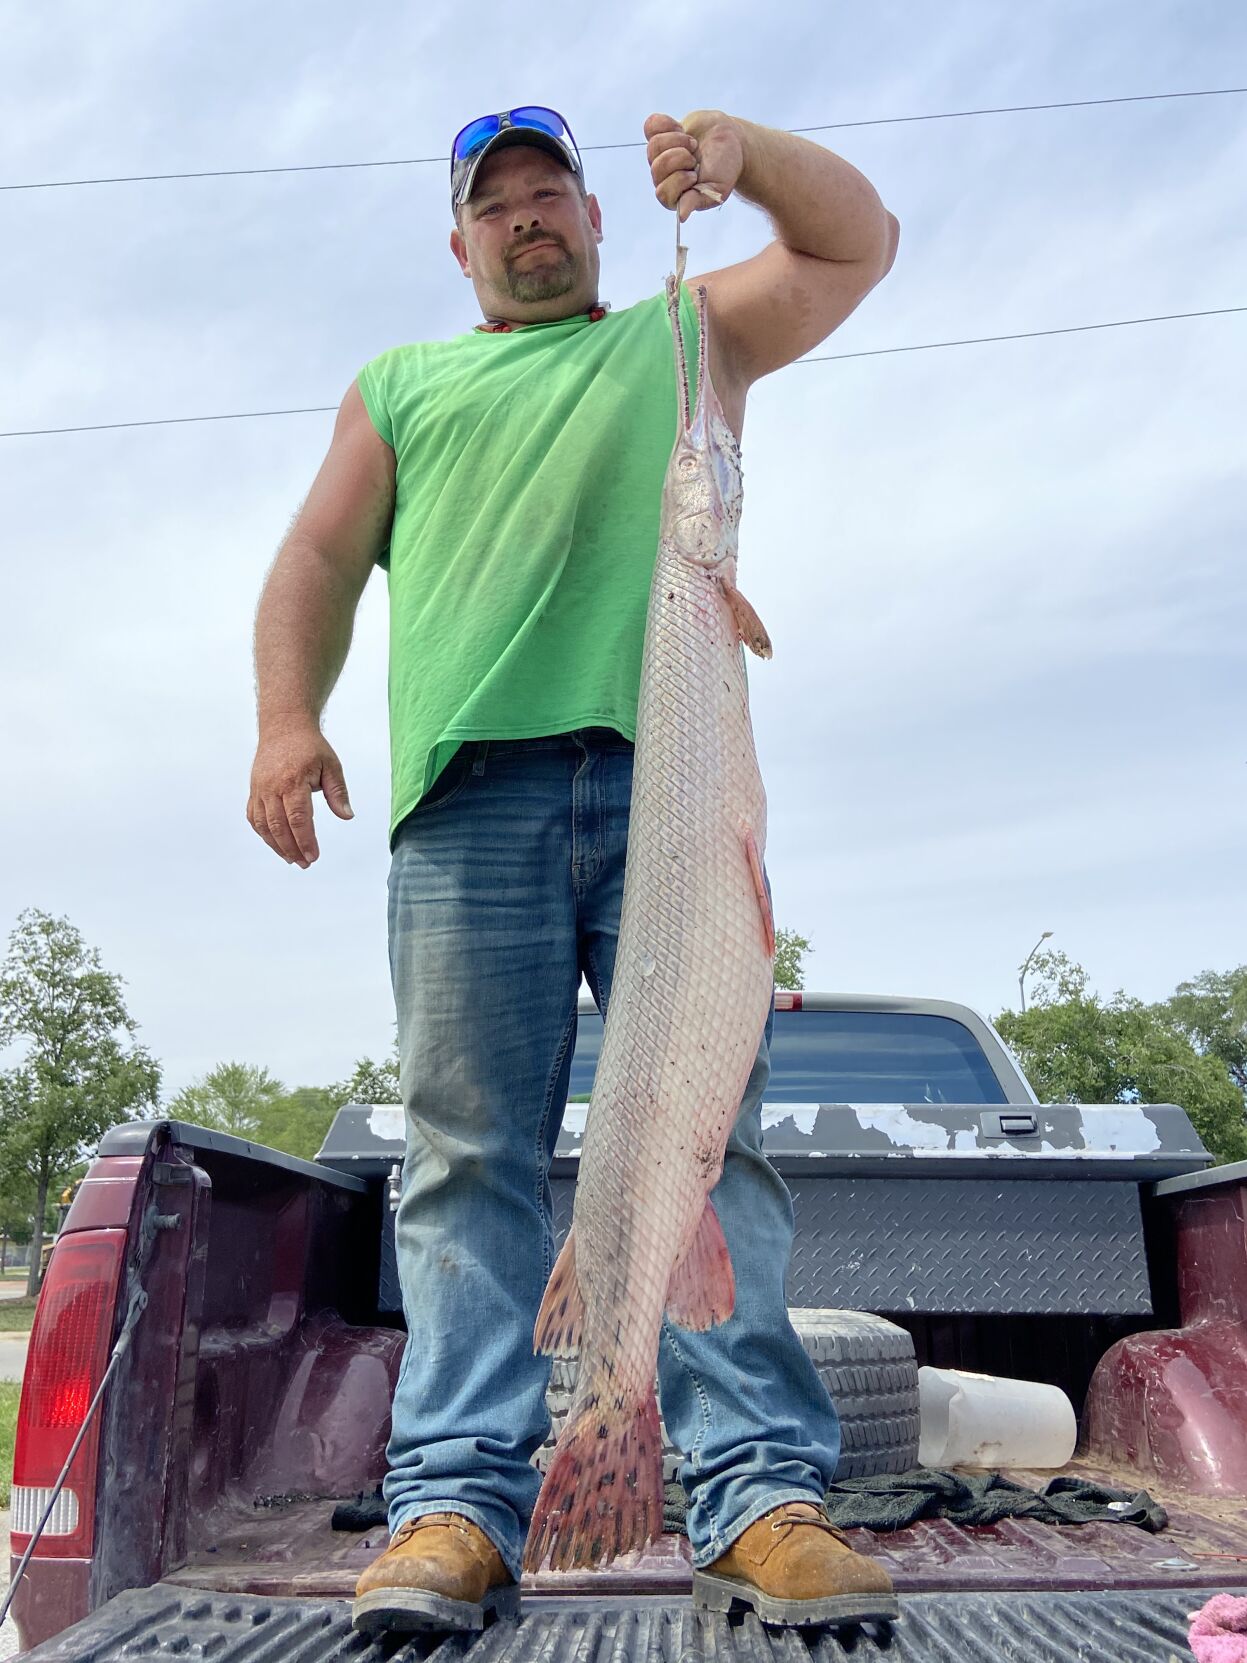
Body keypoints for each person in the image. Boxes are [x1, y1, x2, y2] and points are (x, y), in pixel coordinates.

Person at [248, 104, 899, 1636]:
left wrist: (746, 154)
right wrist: (288, 718)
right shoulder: (404, 386)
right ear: (461, 241)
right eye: (499, 204)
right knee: (468, 1157)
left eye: (553, 195)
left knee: (708, 1145)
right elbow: (320, 559)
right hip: (469, 803)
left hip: (670, 787)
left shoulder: (687, 337)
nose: (528, 219)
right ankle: (457, 1507)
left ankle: (755, 1496)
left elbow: (853, 240)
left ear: (603, 220)